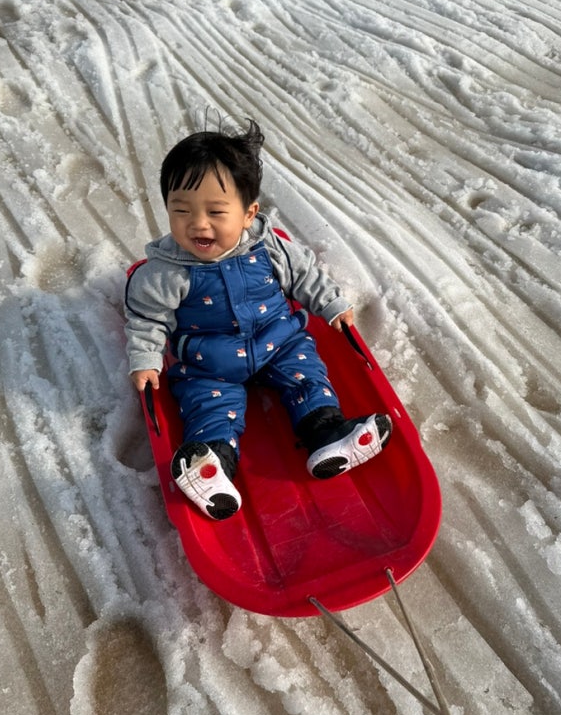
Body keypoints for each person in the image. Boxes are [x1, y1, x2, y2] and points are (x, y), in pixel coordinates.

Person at [124, 119, 392, 521]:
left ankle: (327, 434)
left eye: (215, 212)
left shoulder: (270, 249)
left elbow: (305, 276)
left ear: (249, 214)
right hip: (210, 363)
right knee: (209, 407)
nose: (198, 224)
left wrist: (331, 304)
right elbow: (146, 317)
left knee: (306, 376)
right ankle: (211, 466)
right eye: (181, 211)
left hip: (279, 342)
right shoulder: (166, 272)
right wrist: (145, 359)